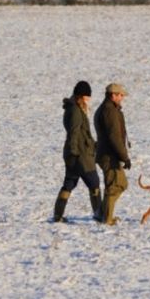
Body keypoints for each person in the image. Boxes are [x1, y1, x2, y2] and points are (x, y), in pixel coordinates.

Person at [53, 81, 101, 222]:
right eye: (87, 97)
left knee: (69, 183)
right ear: (80, 96)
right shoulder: (75, 111)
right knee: (94, 183)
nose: (88, 100)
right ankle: (99, 214)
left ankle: (58, 215)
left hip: (75, 152)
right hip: (80, 155)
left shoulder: (74, 108)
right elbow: (74, 133)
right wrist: (74, 152)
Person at [94, 83, 131, 225]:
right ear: (113, 95)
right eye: (120, 95)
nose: (122, 98)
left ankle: (102, 214)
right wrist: (124, 157)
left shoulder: (107, 109)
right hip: (109, 155)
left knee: (119, 183)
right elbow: (114, 136)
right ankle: (107, 218)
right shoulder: (109, 111)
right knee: (116, 185)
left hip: (108, 154)